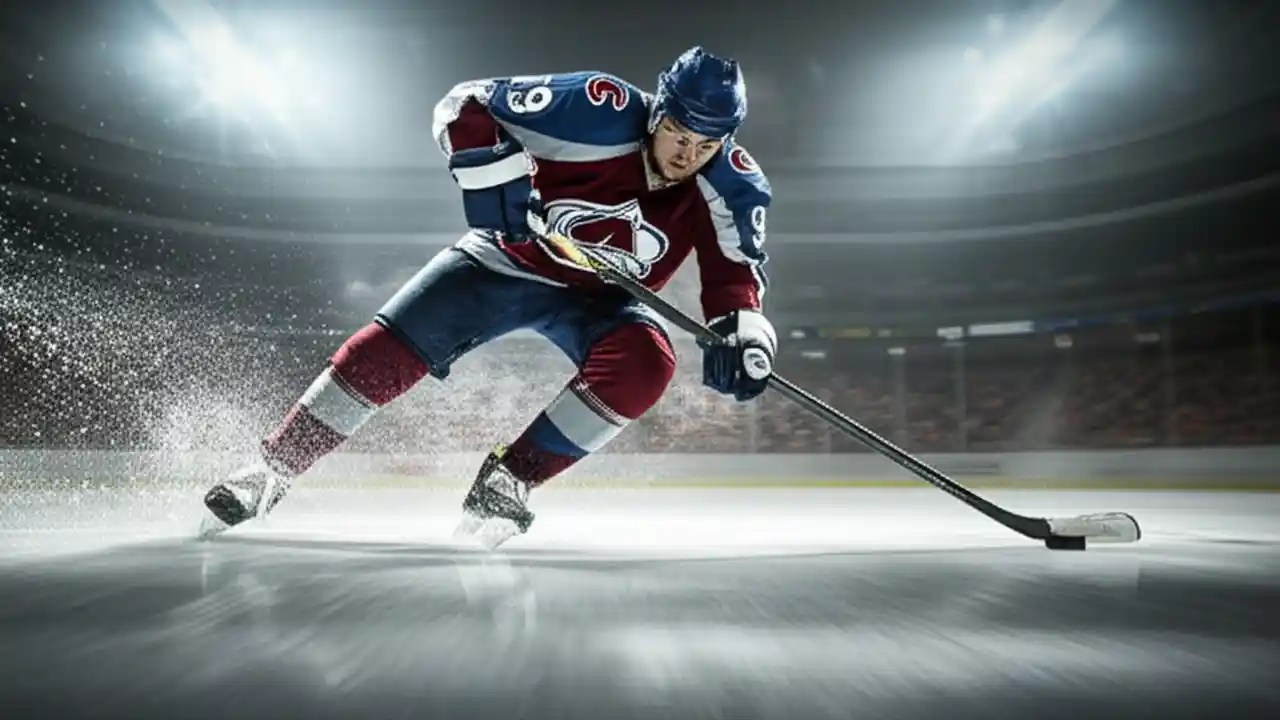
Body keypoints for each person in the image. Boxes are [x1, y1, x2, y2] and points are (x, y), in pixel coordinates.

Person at [200, 46, 777, 549]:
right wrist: (484, 165)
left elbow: (735, 276)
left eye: (705, 144)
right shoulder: (596, 108)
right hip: (505, 261)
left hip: (602, 300)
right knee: (384, 353)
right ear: (657, 110)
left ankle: (512, 480)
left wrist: (742, 331)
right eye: (678, 133)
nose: (685, 155)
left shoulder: (733, 185)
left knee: (648, 363)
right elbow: (464, 104)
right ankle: (271, 468)